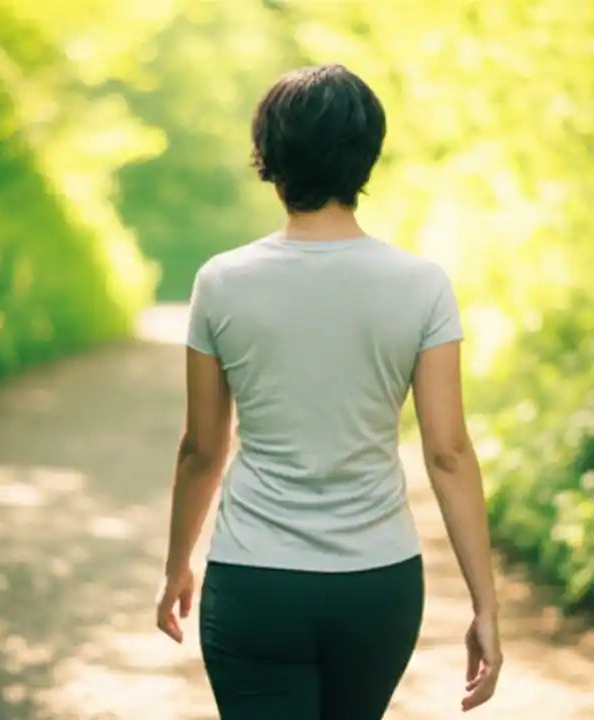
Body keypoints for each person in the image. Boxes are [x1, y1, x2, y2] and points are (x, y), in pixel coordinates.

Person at [155, 63, 503, 719]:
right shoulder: (421, 284)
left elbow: (202, 449)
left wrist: (177, 564)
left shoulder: (222, 281)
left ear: (270, 157)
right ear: (366, 157)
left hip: (254, 580)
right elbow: (448, 453)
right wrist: (485, 602)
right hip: (377, 585)